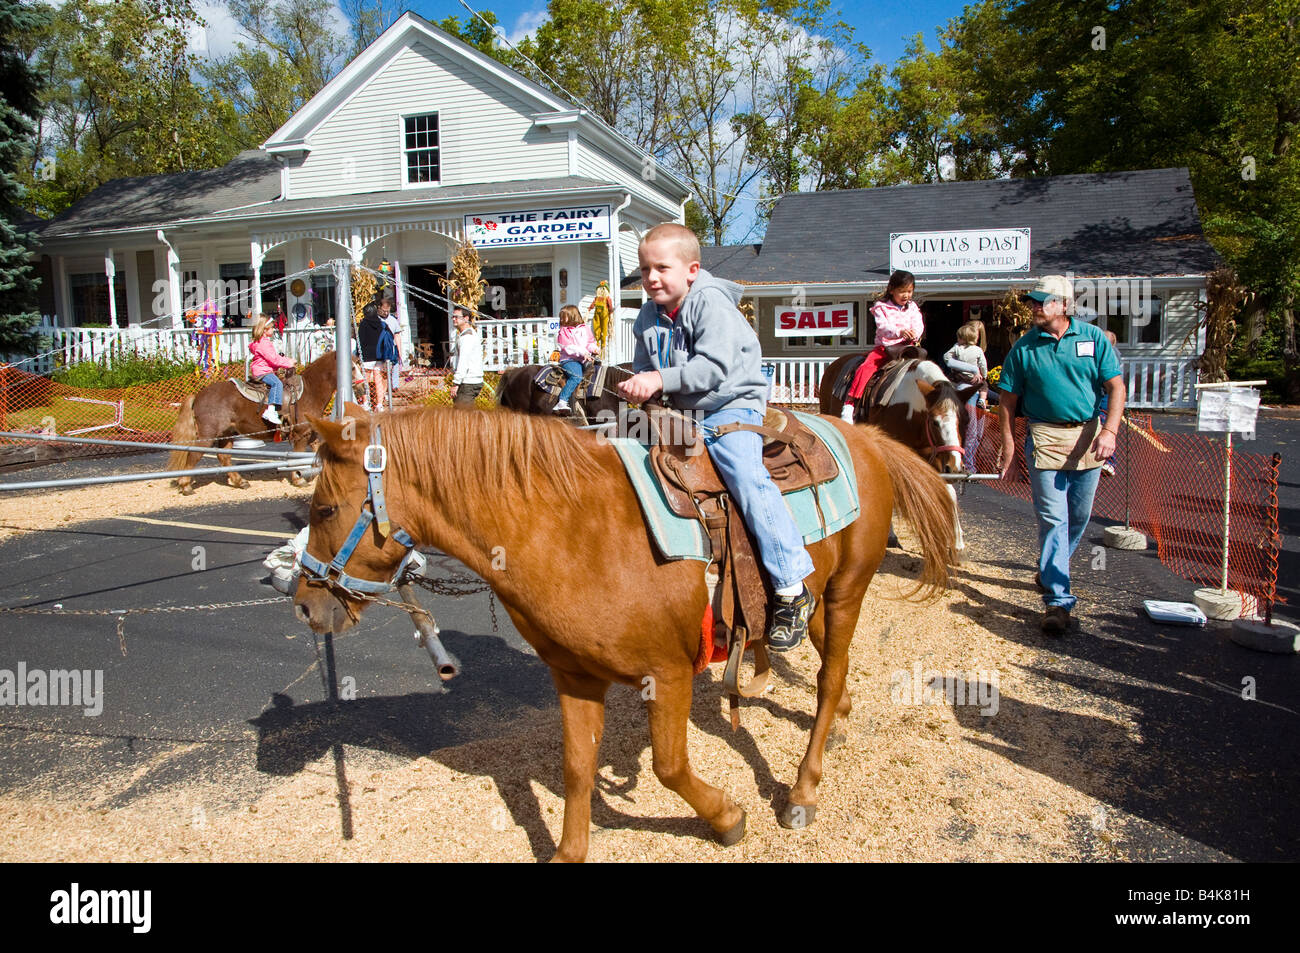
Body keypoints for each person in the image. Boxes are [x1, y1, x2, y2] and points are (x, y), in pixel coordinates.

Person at [618, 222, 816, 652]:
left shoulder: (710, 302)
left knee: (744, 474)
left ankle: (791, 586)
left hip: (731, 405)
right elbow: (642, 365)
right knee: (625, 456)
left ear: (691, 269)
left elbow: (713, 369)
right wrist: (636, 384)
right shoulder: (648, 314)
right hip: (680, 407)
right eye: (645, 268)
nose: (651, 277)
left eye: (661, 268)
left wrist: (656, 379)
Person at [996, 275, 1126, 635]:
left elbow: (1115, 387)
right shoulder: (1024, 348)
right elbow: (1007, 401)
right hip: (1044, 437)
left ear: (1064, 306)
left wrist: (1111, 432)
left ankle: (1050, 568)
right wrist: (1007, 443)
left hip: (1089, 435)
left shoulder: (1093, 338)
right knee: (1054, 518)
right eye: (1034, 301)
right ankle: (1058, 599)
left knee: (1078, 516)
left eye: (1043, 301)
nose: (1035, 307)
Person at [841, 270, 924, 423]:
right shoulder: (881, 307)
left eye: (909, 291)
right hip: (887, 349)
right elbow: (882, 327)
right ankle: (850, 404)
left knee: (926, 369)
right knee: (865, 368)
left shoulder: (912, 307)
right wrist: (899, 331)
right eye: (902, 291)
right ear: (891, 290)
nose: (906, 295)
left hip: (909, 348)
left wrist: (915, 333)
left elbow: (919, 324)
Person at [944, 320, 989, 470]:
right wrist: (979, 372)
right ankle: (970, 465)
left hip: (963, 389)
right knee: (972, 431)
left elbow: (946, 358)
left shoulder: (957, 348)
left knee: (970, 430)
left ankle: (967, 463)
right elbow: (983, 366)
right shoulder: (977, 351)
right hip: (973, 391)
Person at [249, 313, 296, 425]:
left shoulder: (260, 342)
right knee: (277, 384)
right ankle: (270, 410)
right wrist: (288, 363)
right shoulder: (264, 343)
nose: (274, 330)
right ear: (265, 330)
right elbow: (273, 359)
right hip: (263, 371)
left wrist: (286, 360)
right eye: (272, 328)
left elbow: (274, 358)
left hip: (261, 370)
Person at [553, 303, 598, 413]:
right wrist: (584, 353)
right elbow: (568, 348)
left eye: (564, 316)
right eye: (561, 316)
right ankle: (562, 401)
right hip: (569, 360)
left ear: (573, 316)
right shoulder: (563, 331)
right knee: (576, 376)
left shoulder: (585, 329)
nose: (562, 319)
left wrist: (594, 349)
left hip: (583, 359)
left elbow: (589, 343)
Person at [356, 301, 388, 411]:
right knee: (378, 380)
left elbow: (361, 341)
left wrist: (358, 354)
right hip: (379, 356)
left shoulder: (364, 324)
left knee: (363, 380)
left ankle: (365, 402)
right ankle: (379, 404)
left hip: (366, 356)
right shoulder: (381, 323)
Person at [450, 306, 483, 407]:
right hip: (470, 380)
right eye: (453, 316)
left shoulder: (467, 337)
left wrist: (456, 383)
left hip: (468, 382)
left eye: (457, 317)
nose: (454, 319)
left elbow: (463, 361)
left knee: (464, 418)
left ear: (466, 318)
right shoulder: (468, 334)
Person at [379, 296, 403, 393]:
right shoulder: (376, 319)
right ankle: (384, 388)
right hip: (380, 348)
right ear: (379, 308)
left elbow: (397, 335)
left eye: (388, 311)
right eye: (384, 311)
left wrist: (400, 351)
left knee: (395, 364)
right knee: (383, 369)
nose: (386, 313)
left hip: (391, 347)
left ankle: (395, 386)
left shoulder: (393, 320)